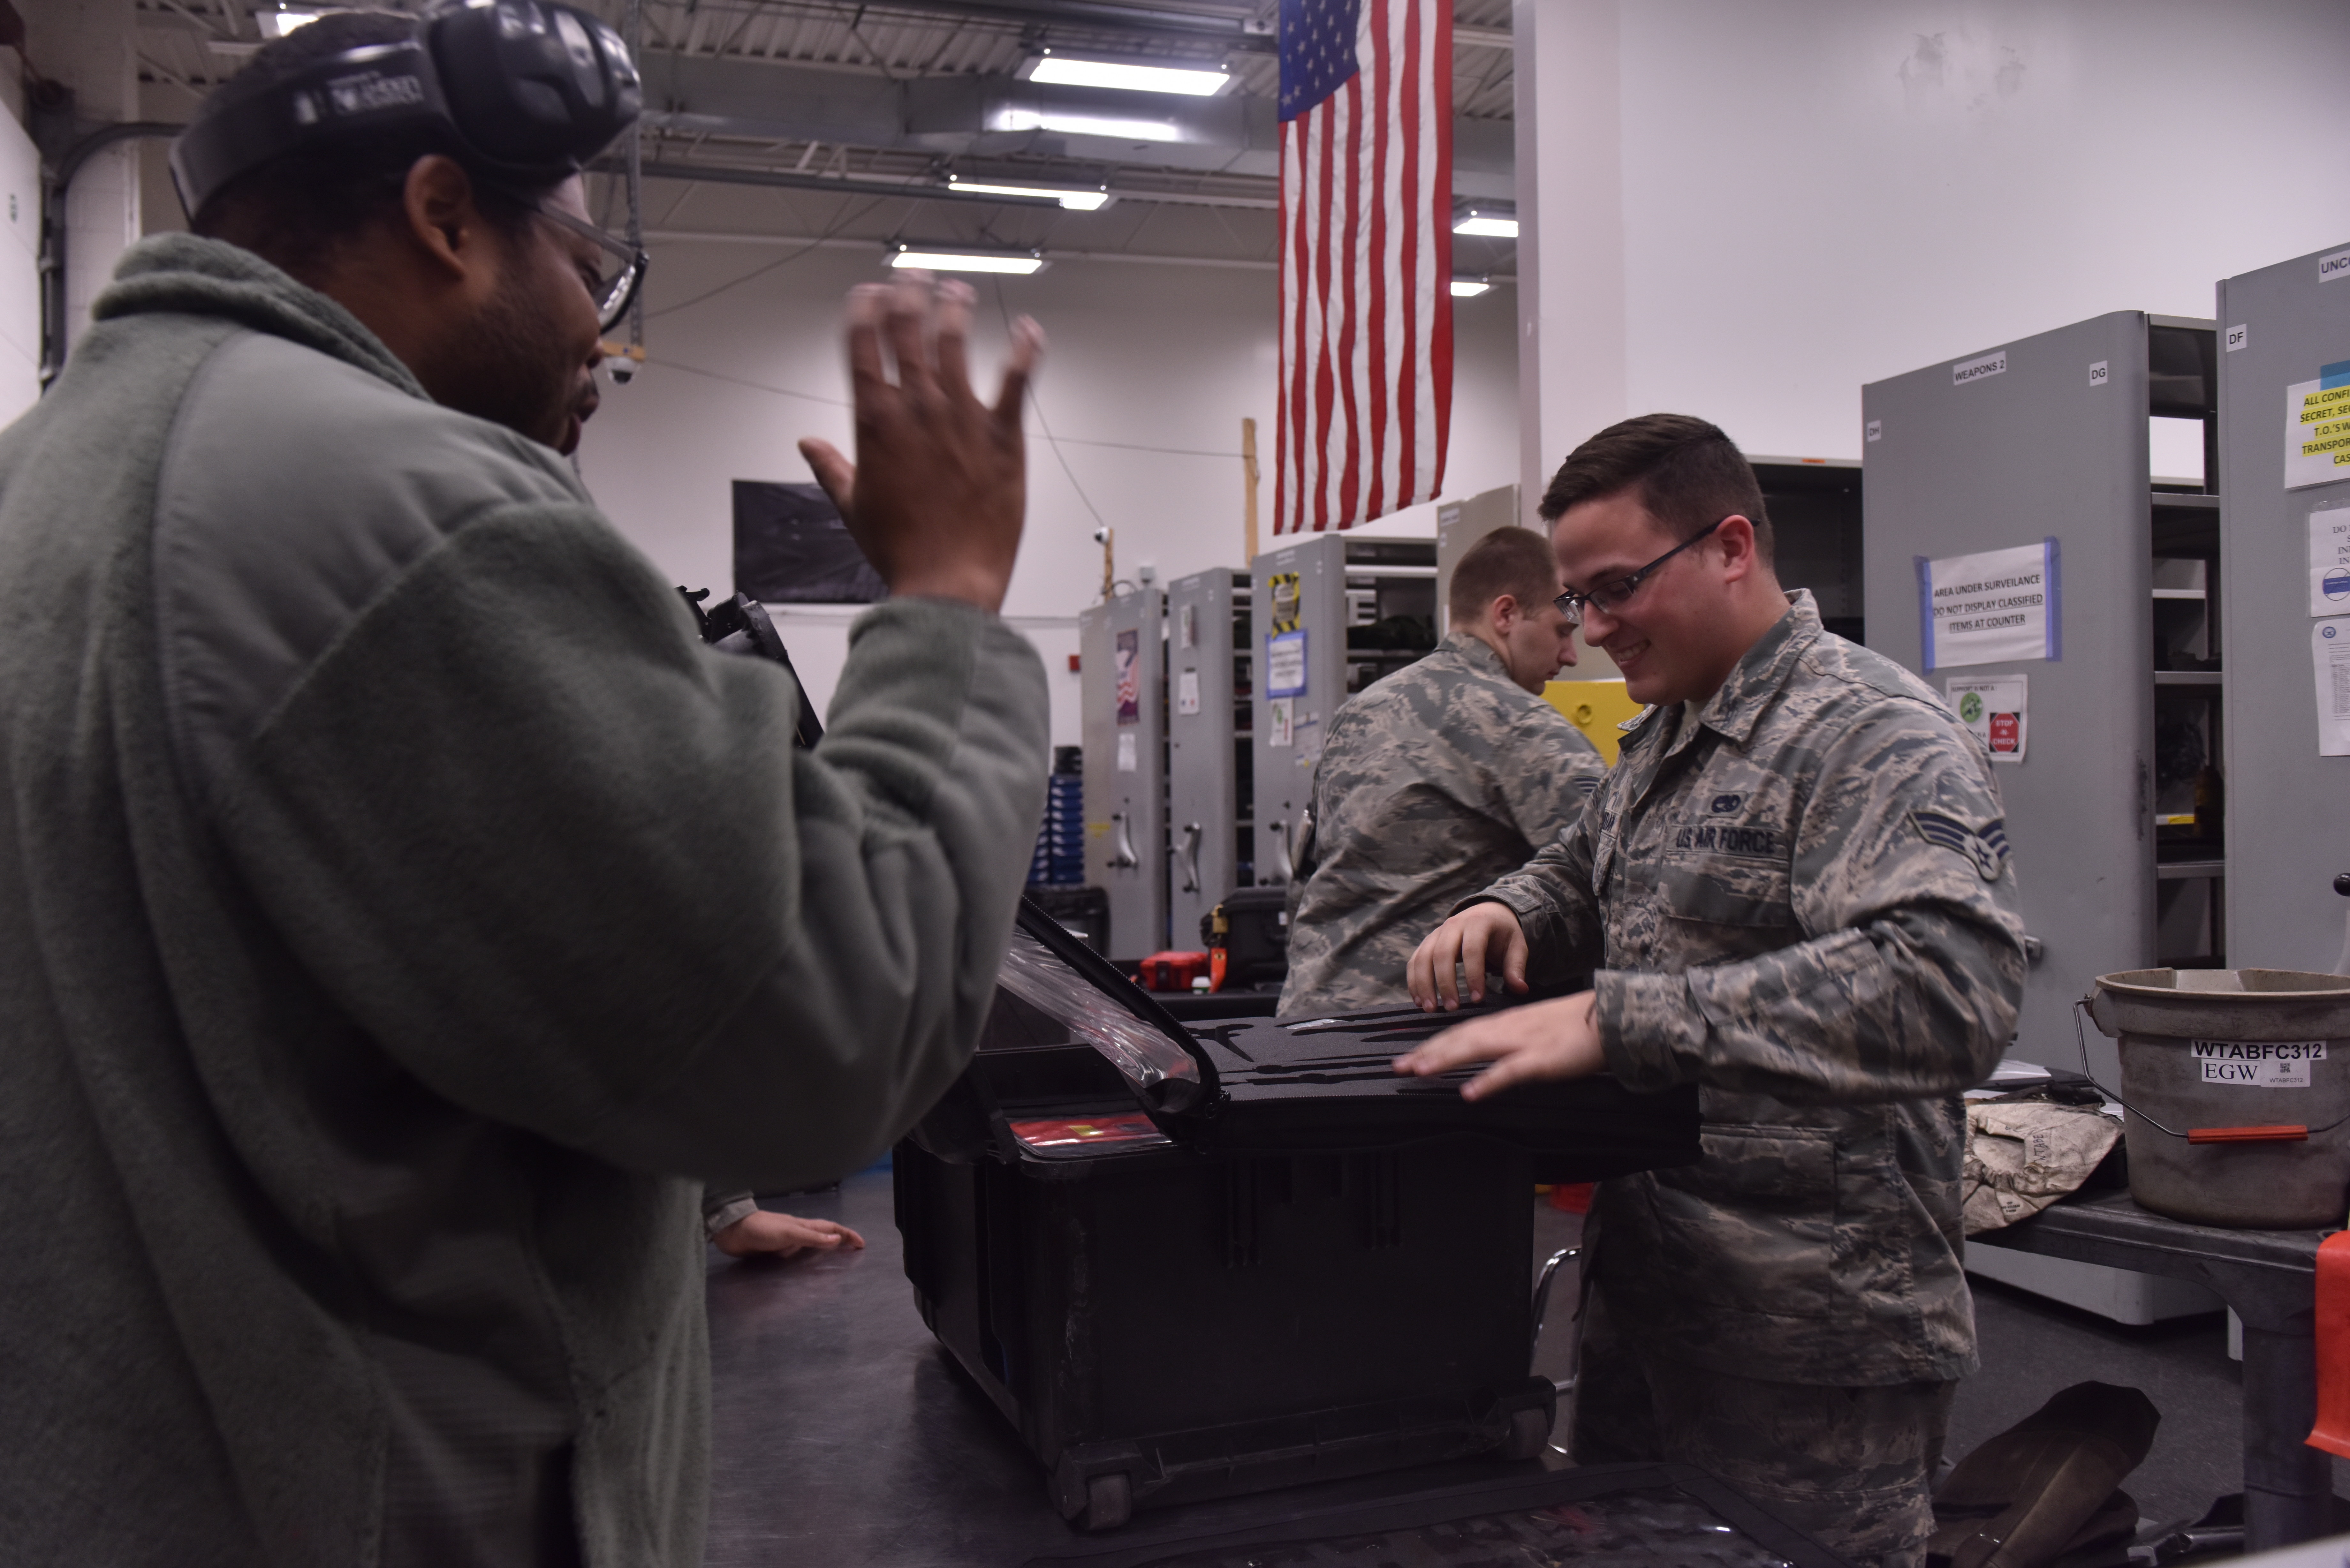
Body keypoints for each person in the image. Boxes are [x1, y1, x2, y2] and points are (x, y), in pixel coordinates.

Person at [0, 11, 1046, 1567]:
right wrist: (949, 604)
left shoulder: (52, 480)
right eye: (585, 271)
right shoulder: (401, 512)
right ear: (443, 219)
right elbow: (832, 1018)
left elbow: (319, 1000)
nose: (599, 338)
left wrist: (686, 1192)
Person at [1399, 415, 2027, 1568]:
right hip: (1659, 1295)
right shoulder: (1672, 731)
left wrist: (1619, 1018)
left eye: (1617, 588)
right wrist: (1510, 911)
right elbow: (1587, 866)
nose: (1590, 632)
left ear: (1731, 545)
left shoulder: (1869, 734)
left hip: (1815, 1343)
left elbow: (1951, 986)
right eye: (1576, 600)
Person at [1277, 527, 1605, 1017]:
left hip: (1308, 1013)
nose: (1571, 655)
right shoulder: (1520, 723)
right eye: (1563, 631)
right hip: (1415, 1030)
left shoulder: (1361, 711)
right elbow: (1611, 878)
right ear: (1506, 614)